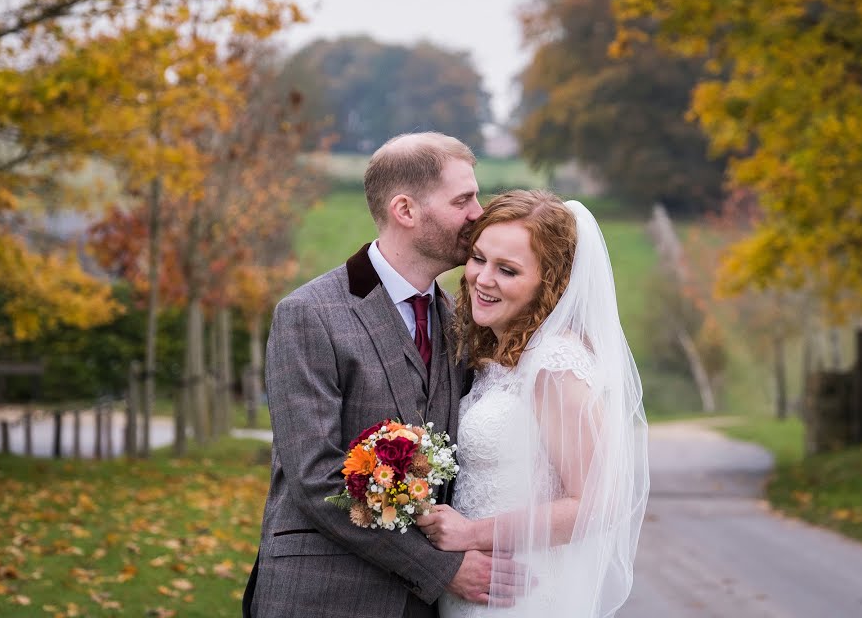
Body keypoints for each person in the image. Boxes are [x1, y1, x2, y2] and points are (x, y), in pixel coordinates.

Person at [242, 132, 501, 618]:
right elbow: (316, 476)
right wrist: (439, 569)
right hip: (321, 595)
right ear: (406, 210)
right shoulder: (308, 313)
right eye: (463, 199)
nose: (477, 213)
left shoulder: (460, 324)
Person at [414, 189, 651, 618]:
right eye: (479, 258)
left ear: (549, 282)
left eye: (507, 270)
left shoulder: (553, 365)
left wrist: (471, 533)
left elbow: (597, 504)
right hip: (475, 590)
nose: (483, 279)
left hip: (522, 594)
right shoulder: (499, 355)